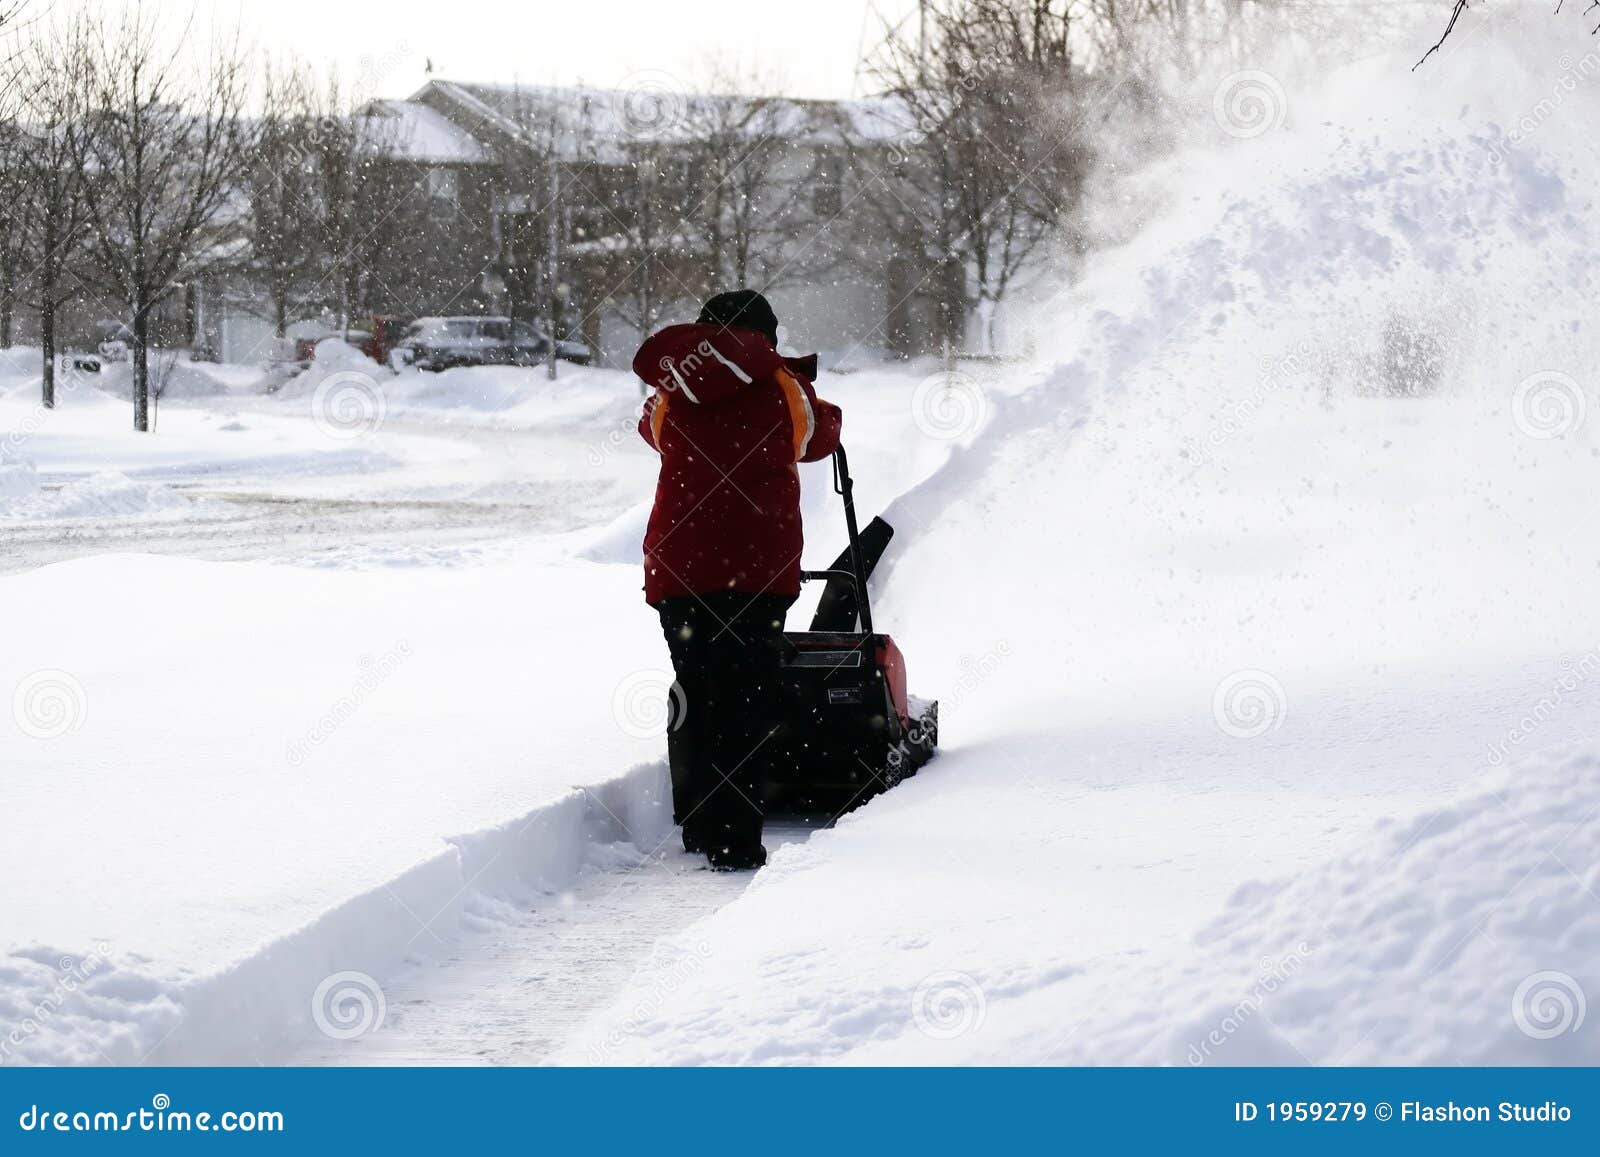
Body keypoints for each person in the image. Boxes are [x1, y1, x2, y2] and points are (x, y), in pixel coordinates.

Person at [633, 290, 842, 870]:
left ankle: (702, 826)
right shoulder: (780, 384)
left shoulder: (674, 388)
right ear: (765, 334)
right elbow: (812, 439)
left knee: (699, 695)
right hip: (755, 570)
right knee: (744, 701)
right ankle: (736, 842)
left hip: (678, 573)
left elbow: (650, 430)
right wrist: (822, 407)